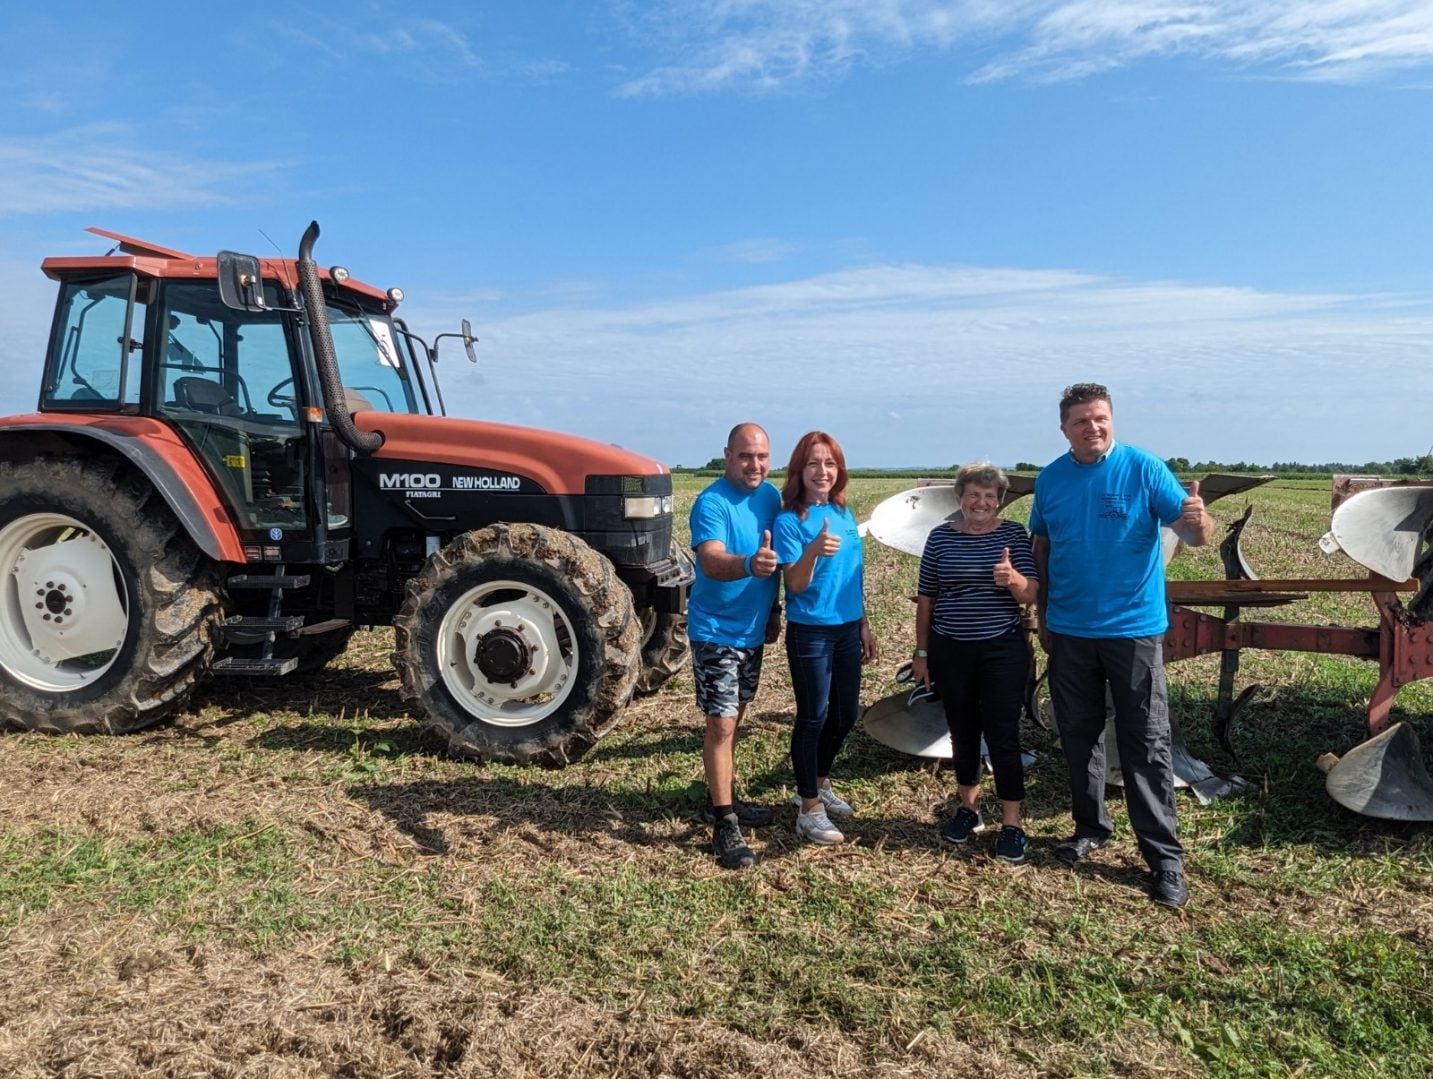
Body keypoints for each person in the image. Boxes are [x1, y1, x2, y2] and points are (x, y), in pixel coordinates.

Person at [1028, 383, 1213, 908]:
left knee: (1145, 741)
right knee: (1078, 733)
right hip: (1069, 630)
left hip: (1132, 630)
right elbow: (1041, 544)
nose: (1094, 428)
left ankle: (1164, 859)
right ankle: (1090, 828)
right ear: (1064, 428)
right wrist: (1042, 615)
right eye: (1082, 421)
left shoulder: (1144, 468)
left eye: (1101, 418)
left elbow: (1191, 530)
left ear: (1113, 420)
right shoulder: (1051, 480)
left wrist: (1199, 523)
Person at [912, 462, 1039, 863]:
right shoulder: (939, 539)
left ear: (999, 501)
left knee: (1003, 735)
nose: (981, 502)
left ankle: (1013, 824)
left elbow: (1031, 592)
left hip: (1002, 649)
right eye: (973, 495)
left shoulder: (1013, 535)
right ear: (960, 498)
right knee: (962, 733)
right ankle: (968, 809)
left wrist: (1012, 579)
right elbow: (927, 599)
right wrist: (922, 652)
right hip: (951, 649)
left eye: (989, 496)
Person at [772, 431, 878, 845]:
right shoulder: (789, 520)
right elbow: (794, 586)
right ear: (800, 470)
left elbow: (853, 576)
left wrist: (864, 622)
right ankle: (808, 808)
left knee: (846, 714)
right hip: (811, 632)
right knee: (813, 716)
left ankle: (820, 780)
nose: (823, 471)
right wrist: (813, 550)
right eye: (814, 463)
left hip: (848, 627)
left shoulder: (843, 511)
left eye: (830, 464)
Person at [689, 422, 783, 869]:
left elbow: (776, 560)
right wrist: (749, 563)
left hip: (752, 629)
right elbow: (710, 561)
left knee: (737, 715)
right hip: (716, 631)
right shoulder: (711, 503)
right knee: (721, 725)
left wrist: (775, 611)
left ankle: (723, 796)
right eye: (746, 456)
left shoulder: (770, 498)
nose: (755, 464)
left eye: (762, 456)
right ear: (727, 455)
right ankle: (724, 822)